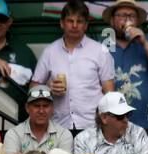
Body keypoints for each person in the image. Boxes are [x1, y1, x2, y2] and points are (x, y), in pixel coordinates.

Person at [29, 0, 115, 132]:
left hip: (92, 126)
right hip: (59, 127)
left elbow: (109, 93)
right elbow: (33, 89)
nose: (74, 25)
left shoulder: (100, 51)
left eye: (79, 21)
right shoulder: (50, 52)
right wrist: (48, 89)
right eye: (70, 21)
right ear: (62, 23)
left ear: (86, 25)